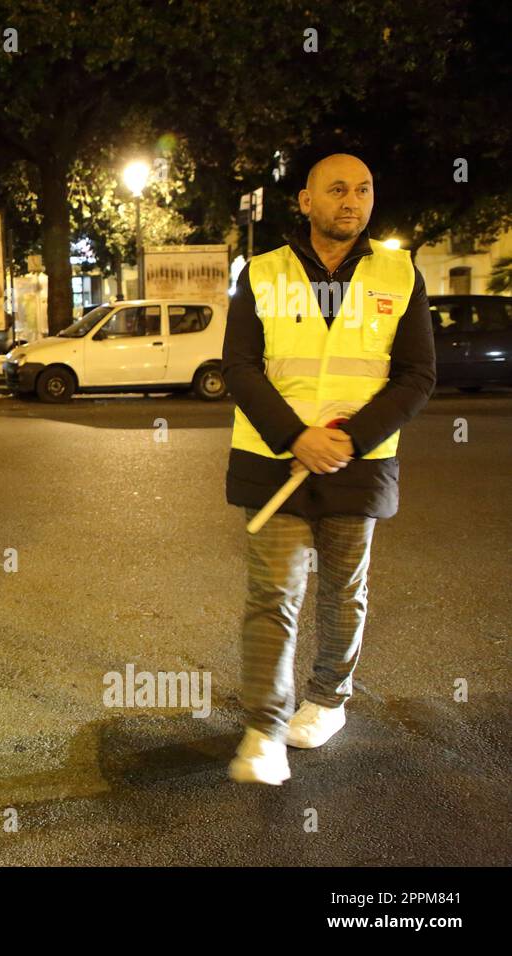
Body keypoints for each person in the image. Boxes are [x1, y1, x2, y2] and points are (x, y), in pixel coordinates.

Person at [222, 153, 436, 785]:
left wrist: (349, 439)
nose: (352, 200)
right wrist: (295, 436)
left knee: (344, 589)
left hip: (356, 460)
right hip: (273, 458)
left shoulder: (401, 273)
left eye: (364, 189)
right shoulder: (260, 273)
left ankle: (327, 701)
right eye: (336, 189)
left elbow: (418, 375)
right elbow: (239, 366)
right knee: (274, 593)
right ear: (306, 202)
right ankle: (263, 727)